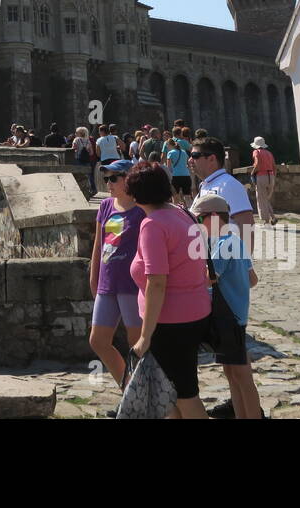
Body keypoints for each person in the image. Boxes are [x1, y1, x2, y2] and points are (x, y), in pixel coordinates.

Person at [125, 161, 212, 419]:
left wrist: (145, 335)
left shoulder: (153, 225)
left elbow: (158, 281)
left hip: (170, 321)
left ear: (136, 195)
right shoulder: (182, 213)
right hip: (194, 312)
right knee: (170, 394)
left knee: (185, 395)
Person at [191, 193, 263, 419]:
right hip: (236, 315)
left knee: (241, 375)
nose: (199, 225)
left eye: (200, 220)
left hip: (227, 317)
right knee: (233, 373)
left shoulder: (223, 245)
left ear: (213, 216)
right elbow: (253, 279)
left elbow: (207, 279)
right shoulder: (236, 240)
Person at [89, 159, 146, 390]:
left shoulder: (142, 209)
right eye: (106, 178)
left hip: (131, 285)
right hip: (108, 283)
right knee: (98, 341)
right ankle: (129, 391)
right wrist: (94, 277)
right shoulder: (105, 206)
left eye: (114, 178)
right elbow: (98, 245)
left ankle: (142, 397)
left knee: (136, 344)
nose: (108, 183)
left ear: (129, 179)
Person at [188, 136, 255, 237]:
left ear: (211, 159)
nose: (190, 160)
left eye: (195, 155)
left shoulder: (229, 185)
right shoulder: (207, 184)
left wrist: (243, 252)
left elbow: (246, 227)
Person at [250, 136, 278, 225]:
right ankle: (273, 217)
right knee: (265, 199)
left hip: (261, 176)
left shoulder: (256, 152)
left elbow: (257, 164)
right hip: (271, 176)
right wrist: (273, 177)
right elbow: (274, 167)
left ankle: (266, 221)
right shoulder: (269, 153)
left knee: (261, 199)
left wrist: (252, 172)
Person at [165, 137, 191, 202]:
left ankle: (176, 211)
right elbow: (188, 164)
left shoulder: (170, 153)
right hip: (186, 175)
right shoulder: (184, 152)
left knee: (175, 196)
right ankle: (189, 210)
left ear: (169, 145)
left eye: (167, 145)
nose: (167, 147)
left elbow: (169, 167)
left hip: (175, 176)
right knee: (187, 196)